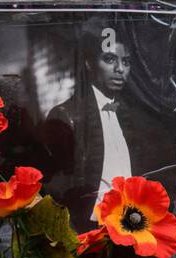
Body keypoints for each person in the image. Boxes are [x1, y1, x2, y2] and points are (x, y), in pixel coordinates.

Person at [40, 25, 156, 229]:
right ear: (89, 63)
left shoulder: (132, 117)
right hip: (88, 227)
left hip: (131, 224)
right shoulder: (65, 116)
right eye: (110, 59)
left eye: (126, 62)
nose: (120, 69)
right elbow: (57, 191)